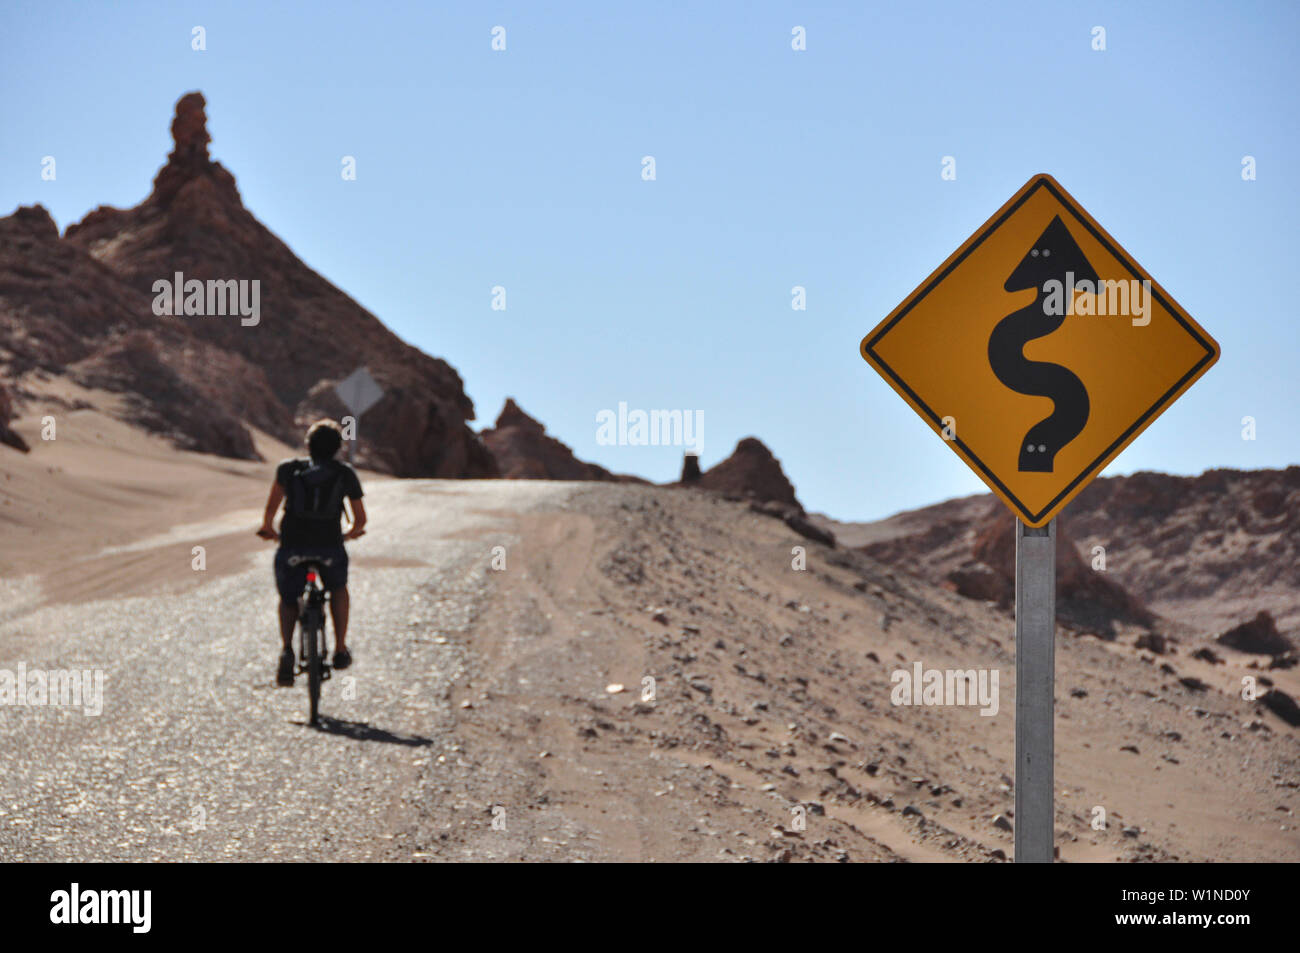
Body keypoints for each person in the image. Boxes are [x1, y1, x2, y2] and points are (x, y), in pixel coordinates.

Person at [256, 419, 366, 686]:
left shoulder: (288, 469)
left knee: (288, 598)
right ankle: (340, 649)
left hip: (292, 544)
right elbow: (360, 520)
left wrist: (269, 530)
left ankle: (287, 650)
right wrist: (348, 534)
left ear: (308, 445)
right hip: (330, 545)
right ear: (339, 448)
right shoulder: (345, 473)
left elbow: (270, 511)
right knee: (338, 588)